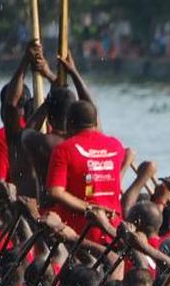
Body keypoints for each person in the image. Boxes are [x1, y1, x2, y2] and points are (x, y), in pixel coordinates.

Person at [45, 100, 132, 243]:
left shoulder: (63, 150)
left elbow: (55, 192)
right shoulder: (116, 145)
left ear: (68, 124)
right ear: (96, 123)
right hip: (114, 232)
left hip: (80, 234)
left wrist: (90, 208)